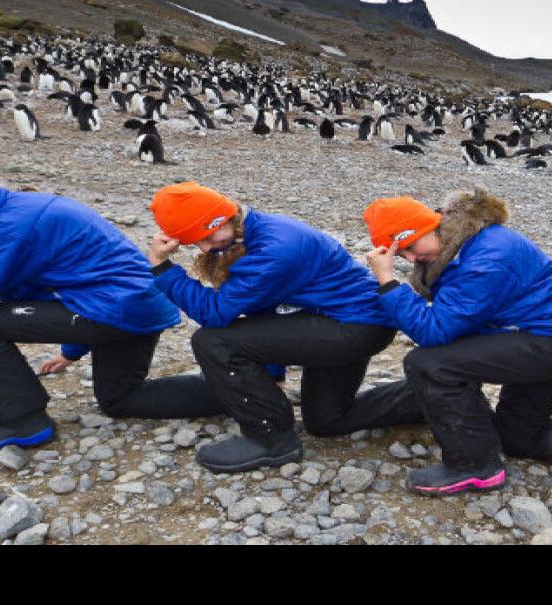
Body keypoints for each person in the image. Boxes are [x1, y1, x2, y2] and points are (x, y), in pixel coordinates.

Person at [0, 171, 226, 455]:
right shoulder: (19, 210)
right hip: (135, 309)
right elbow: (37, 289)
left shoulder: (12, 224)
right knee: (122, 399)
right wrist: (71, 348)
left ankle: (16, 421)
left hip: (112, 309)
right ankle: (239, 390)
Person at [146, 182, 419, 474]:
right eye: (194, 243)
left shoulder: (275, 249)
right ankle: (422, 398)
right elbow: (265, 310)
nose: (204, 248)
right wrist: (271, 374)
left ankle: (271, 439)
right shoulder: (249, 233)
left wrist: (162, 269)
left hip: (352, 327)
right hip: (349, 319)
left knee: (213, 341)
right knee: (327, 421)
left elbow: (214, 312)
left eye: (205, 237)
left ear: (221, 219)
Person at [364, 188, 552, 496]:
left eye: (409, 246)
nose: (410, 258)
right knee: (518, 438)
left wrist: (389, 283)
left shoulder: (485, 257)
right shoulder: (463, 241)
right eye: (400, 253)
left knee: (429, 365)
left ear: (430, 227)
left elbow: (434, 331)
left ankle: (474, 465)